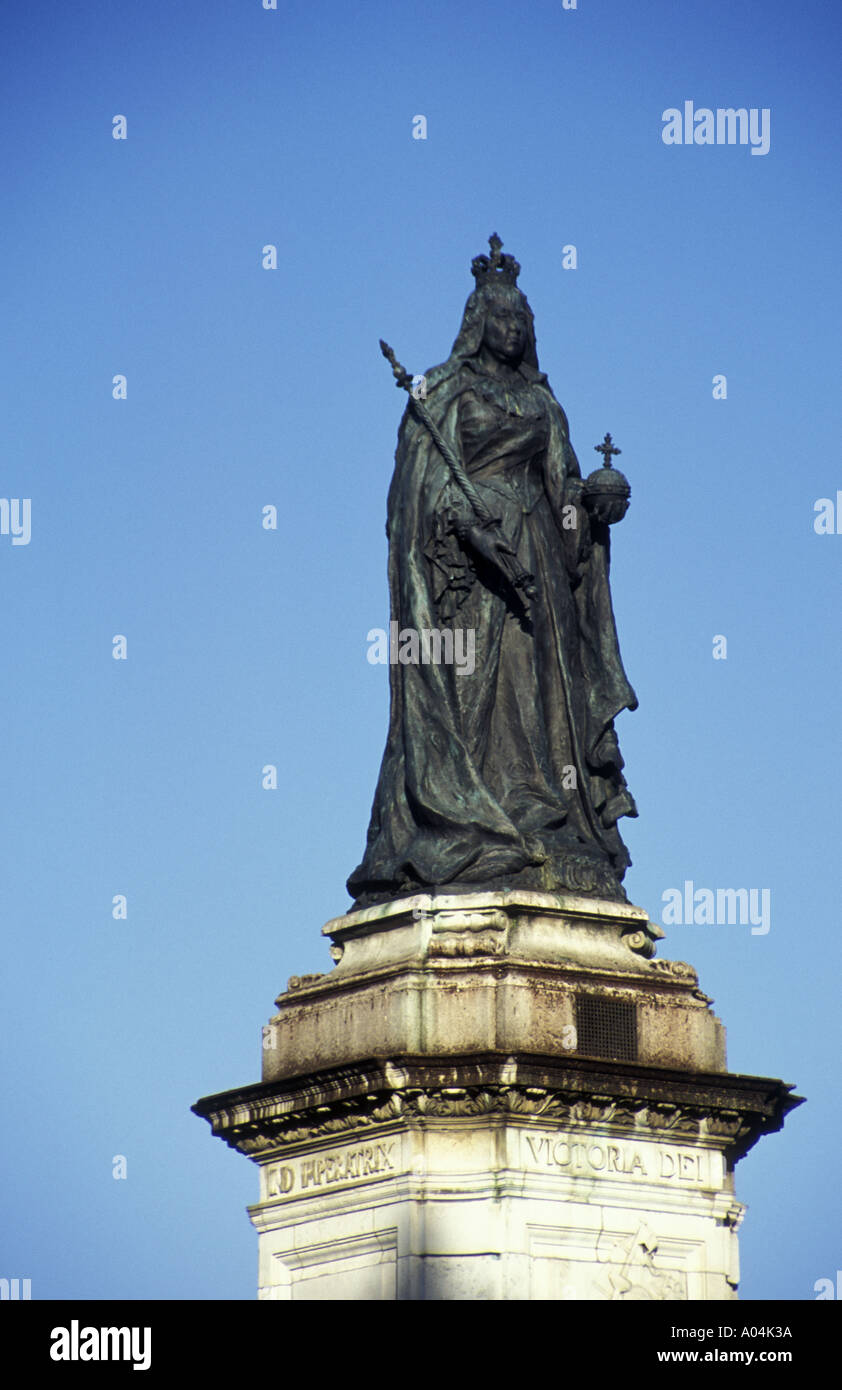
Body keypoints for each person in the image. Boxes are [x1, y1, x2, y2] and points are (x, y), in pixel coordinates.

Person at [347, 236, 637, 906]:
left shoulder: (543, 403)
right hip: (469, 567)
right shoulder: (441, 394)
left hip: (535, 550)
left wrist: (595, 504)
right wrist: (466, 523)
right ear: (478, 325)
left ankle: (547, 815)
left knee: (540, 692)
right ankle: (467, 819)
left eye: (521, 322)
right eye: (500, 319)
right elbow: (413, 494)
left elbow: (560, 486)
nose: (511, 331)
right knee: (472, 690)